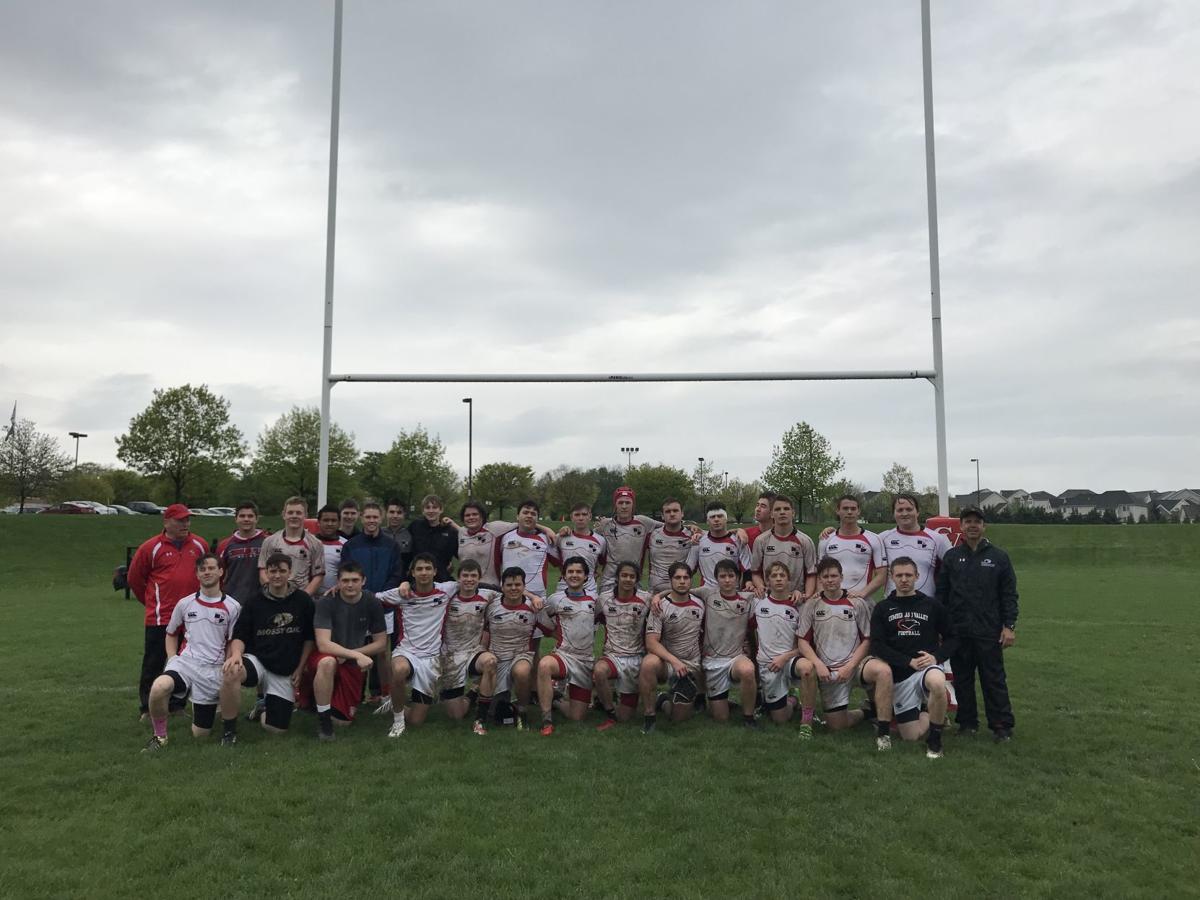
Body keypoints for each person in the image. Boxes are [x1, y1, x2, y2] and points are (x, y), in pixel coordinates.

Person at [141, 553, 241, 750]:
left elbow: (232, 641)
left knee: (200, 735)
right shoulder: (185, 603)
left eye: (211, 568)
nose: (207, 572)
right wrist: (172, 658)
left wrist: (227, 663)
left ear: (221, 572)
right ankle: (159, 737)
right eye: (202, 569)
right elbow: (171, 633)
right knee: (159, 687)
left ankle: (209, 708)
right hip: (186, 664)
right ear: (197, 574)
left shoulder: (233, 606)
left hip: (212, 669)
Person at [935, 506, 1018, 742]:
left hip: (989, 630)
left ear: (984, 526)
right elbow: (942, 594)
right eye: (968, 521)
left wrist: (1009, 626)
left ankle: (1001, 726)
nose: (972, 525)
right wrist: (941, 627)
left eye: (977, 522)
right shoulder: (952, 557)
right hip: (959, 631)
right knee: (962, 679)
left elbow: (1009, 594)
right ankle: (967, 723)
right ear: (960, 527)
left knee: (993, 680)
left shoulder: (999, 557)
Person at [868, 556, 957, 758]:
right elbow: (877, 645)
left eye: (909, 575)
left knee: (937, 681)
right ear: (891, 577)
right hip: (900, 675)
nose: (904, 579)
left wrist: (936, 657)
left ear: (917, 576)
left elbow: (953, 637)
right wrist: (907, 661)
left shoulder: (931, 605)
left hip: (926, 668)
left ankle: (935, 740)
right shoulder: (883, 608)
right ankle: (929, 712)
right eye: (899, 575)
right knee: (910, 735)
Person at [128, 503, 210, 719]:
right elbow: (135, 579)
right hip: (160, 617)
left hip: (192, 618)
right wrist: (151, 602)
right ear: (166, 522)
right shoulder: (150, 547)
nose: (185, 524)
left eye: (187, 520)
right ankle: (147, 707)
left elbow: (209, 572)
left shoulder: (199, 545)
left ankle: (177, 704)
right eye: (180, 520)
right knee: (154, 662)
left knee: (186, 662)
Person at [220, 552, 315, 735]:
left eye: (281, 571)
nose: (277, 575)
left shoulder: (303, 601)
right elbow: (239, 634)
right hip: (258, 661)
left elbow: (309, 638)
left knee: (276, 729)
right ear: (267, 573)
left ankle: (264, 708)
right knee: (232, 671)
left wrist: (300, 668)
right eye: (273, 571)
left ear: (290, 573)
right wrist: (237, 655)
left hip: (285, 668)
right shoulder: (254, 601)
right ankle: (229, 732)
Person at [301, 561, 388, 741]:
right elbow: (323, 644)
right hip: (327, 656)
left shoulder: (372, 602)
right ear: (338, 582)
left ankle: (321, 702)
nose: (350, 585)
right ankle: (324, 722)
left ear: (363, 581)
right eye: (345, 580)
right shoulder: (327, 602)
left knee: (343, 722)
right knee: (327, 663)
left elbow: (381, 643)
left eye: (354, 580)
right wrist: (357, 655)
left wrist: (352, 653)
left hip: (350, 661)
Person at [377, 553, 453, 737]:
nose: (424, 572)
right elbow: (372, 597)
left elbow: (474, 585)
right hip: (406, 651)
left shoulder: (448, 589)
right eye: (419, 569)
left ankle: (395, 703)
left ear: (435, 571)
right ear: (412, 573)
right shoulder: (401, 594)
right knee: (399, 669)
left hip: (431, 659)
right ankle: (397, 721)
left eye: (428, 568)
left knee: (417, 721)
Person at [341, 501, 406, 710]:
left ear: (381, 518)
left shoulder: (391, 545)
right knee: (357, 648)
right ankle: (355, 694)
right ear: (362, 518)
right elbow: (346, 573)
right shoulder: (351, 545)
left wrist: (381, 595)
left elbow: (396, 573)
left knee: (382, 652)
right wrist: (360, 594)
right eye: (367, 517)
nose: (371, 521)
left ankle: (384, 693)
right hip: (356, 604)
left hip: (384, 604)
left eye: (375, 517)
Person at [796, 557, 872, 732]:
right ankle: (866, 712)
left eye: (834, 576)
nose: (830, 580)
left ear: (841, 577)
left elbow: (867, 639)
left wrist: (851, 666)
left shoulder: (857, 603)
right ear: (820, 580)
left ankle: (886, 721)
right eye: (825, 577)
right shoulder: (812, 605)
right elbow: (802, 641)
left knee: (881, 671)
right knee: (837, 725)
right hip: (828, 670)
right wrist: (818, 664)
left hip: (855, 665)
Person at [639, 561, 705, 733]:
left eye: (686, 578)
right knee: (648, 663)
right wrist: (674, 661)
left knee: (678, 718)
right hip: (668, 663)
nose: (682, 581)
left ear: (691, 580)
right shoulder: (660, 606)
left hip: (692, 664)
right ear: (671, 580)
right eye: (677, 578)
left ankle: (664, 700)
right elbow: (651, 642)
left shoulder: (701, 603)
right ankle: (649, 715)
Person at [437, 559, 500, 735]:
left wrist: (533, 598)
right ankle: (473, 693)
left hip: (473, 652)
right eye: (465, 575)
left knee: (491, 662)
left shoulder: (488, 595)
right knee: (456, 715)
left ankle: (480, 719)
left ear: (479, 578)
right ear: (459, 578)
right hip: (450, 656)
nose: (469, 579)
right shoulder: (446, 596)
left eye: (473, 576)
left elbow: (513, 591)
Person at [536, 557, 598, 735]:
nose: (574, 575)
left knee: (576, 717)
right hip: (563, 655)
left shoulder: (595, 600)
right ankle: (546, 719)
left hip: (585, 660)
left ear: (587, 576)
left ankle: (555, 699)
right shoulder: (556, 599)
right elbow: (543, 620)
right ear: (563, 576)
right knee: (544, 665)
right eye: (570, 572)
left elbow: (604, 619)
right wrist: (555, 633)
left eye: (579, 572)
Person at [693, 558, 757, 727]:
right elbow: (680, 589)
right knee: (721, 718)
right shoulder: (707, 594)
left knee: (748, 670)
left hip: (736, 658)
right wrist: (658, 597)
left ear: (737, 577)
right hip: (712, 661)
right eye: (723, 576)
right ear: (716, 578)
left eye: (731, 576)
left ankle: (749, 718)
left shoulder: (748, 598)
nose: (727, 580)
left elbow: (775, 595)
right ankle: (724, 702)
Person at [593, 560, 651, 730]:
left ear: (637, 579)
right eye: (624, 575)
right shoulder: (604, 599)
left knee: (625, 718)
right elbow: (589, 619)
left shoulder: (646, 599)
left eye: (632, 576)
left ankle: (658, 699)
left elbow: (663, 600)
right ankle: (609, 712)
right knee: (599, 671)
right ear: (617, 578)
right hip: (612, 655)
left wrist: (660, 596)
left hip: (636, 658)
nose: (627, 579)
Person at [751, 561, 808, 732]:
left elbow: (806, 645)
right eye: (774, 576)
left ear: (789, 580)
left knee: (808, 668)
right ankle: (792, 699)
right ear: (767, 582)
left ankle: (808, 718)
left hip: (790, 660)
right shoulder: (757, 604)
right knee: (779, 719)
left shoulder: (800, 606)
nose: (778, 579)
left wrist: (785, 657)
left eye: (782, 575)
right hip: (769, 665)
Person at [483, 567, 541, 729]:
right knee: (496, 711)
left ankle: (522, 710)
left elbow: (552, 629)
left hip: (521, 654)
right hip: (497, 657)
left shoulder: (534, 607)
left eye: (517, 584)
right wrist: (482, 650)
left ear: (524, 587)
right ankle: (498, 703)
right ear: (502, 587)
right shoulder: (492, 604)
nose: (513, 588)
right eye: (509, 585)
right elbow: (484, 629)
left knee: (521, 672)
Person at [877, 492, 953, 597]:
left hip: (926, 605)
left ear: (917, 512)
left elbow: (955, 567)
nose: (904, 513)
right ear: (894, 513)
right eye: (900, 510)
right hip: (893, 604)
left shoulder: (937, 539)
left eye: (909, 509)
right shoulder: (882, 538)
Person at [817, 495, 886, 601]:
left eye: (853, 509)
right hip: (832, 602)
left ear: (858, 511)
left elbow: (882, 575)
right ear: (837, 511)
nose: (849, 512)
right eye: (845, 508)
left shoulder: (874, 539)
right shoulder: (826, 539)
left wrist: (862, 593)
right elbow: (819, 573)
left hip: (861, 601)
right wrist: (822, 596)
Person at [750, 494, 817, 598]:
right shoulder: (761, 541)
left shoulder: (805, 541)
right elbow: (755, 572)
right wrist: (760, 587)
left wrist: (806, 596)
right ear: (771, 514)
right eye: (777, 509)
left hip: (796, 599)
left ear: (793, 513)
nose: (782, 512)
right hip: (770, 599)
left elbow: (811, 573)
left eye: (786, 509)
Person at [495, 499, 561, 598]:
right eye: (525, 512)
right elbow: (496, 564)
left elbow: (560, 563)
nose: (529, 515)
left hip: (537, 597)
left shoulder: (546, 539)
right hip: (508, 595)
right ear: (517, 516)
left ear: (537, 519)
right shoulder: (505, 537)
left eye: (533, 514)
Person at [259, 497, 324, 596]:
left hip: (301, 598)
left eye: (298, 513)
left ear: (305, 515)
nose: (294, 516)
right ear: (283, 515)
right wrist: (274, 593)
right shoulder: (270, 541)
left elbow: (318, 576)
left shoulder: (316, 543)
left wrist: (303, 598)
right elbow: (263, 570)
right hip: (275, 597)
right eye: (290, 512)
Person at [594, 487, 651, 592]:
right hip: (608, 581)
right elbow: (588, 538)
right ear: (615, 504)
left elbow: (669, 525)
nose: (624, 506)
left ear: (633, 504)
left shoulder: (644, 522)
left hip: (633, 580)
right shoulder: (605, 524)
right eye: (620, 503)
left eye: (627, 502)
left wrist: (690, 527)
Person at [687, 502, 751, 588]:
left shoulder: (739, 540)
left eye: (720, 516)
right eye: (712, 517)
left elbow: (748, 568)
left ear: (726, 519)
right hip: (707, 594)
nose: (716, 519)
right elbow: (688, 570)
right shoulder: (698, 541)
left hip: (731, 593)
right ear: (707, 521)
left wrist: (748, 583)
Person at [216, 501, 267, 603]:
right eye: (242, 516)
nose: (246, 519)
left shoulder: (267, 542)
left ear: (256, 519)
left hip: (262, 601)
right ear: (236, 519)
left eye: (250, 516)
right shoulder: (224, 545)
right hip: (232, 601)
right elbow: (218, 576)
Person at [556, 503, 608, 596]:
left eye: (584, 514)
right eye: (577, 515)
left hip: (589, 590)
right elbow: (555, 560)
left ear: (590, 516)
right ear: (571, 517)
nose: (581, 518)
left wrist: (595, 572)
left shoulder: (601, 541)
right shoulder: (561, 538)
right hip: (564, 589)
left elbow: (603, 562)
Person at [644, 497, 694, 593]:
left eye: (675, 510)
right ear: (662, 516)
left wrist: (731, 532)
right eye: (668, 511)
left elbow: (714, 535)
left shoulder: (692, 536)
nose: (672, 514)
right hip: (654, 594)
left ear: (682, 513)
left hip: (681, 594)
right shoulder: (652, 535)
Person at [408, 494, 458, 581]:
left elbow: (462, 554)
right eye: (427, 507)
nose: (431, 511)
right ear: (423, 510)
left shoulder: (450, 531)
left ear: (441, 509)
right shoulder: (415, 526)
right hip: (417, 580)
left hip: (441, 579)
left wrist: (456, 526)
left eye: (435, 507)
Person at [314, 504, 346, 594]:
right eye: (326, 520)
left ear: (339, 523)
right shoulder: (309, 542)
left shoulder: (346, 545)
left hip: (335, 597)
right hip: (309, 596)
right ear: (318, 522)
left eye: (333, 520)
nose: (329, 524)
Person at [384, 498, 413, 571]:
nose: (395, 516)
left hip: (403, 579)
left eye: (399, 512)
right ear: (386, 513)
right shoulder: (378, 533)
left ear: (404, 514)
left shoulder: (411, 534)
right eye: (392, 512)